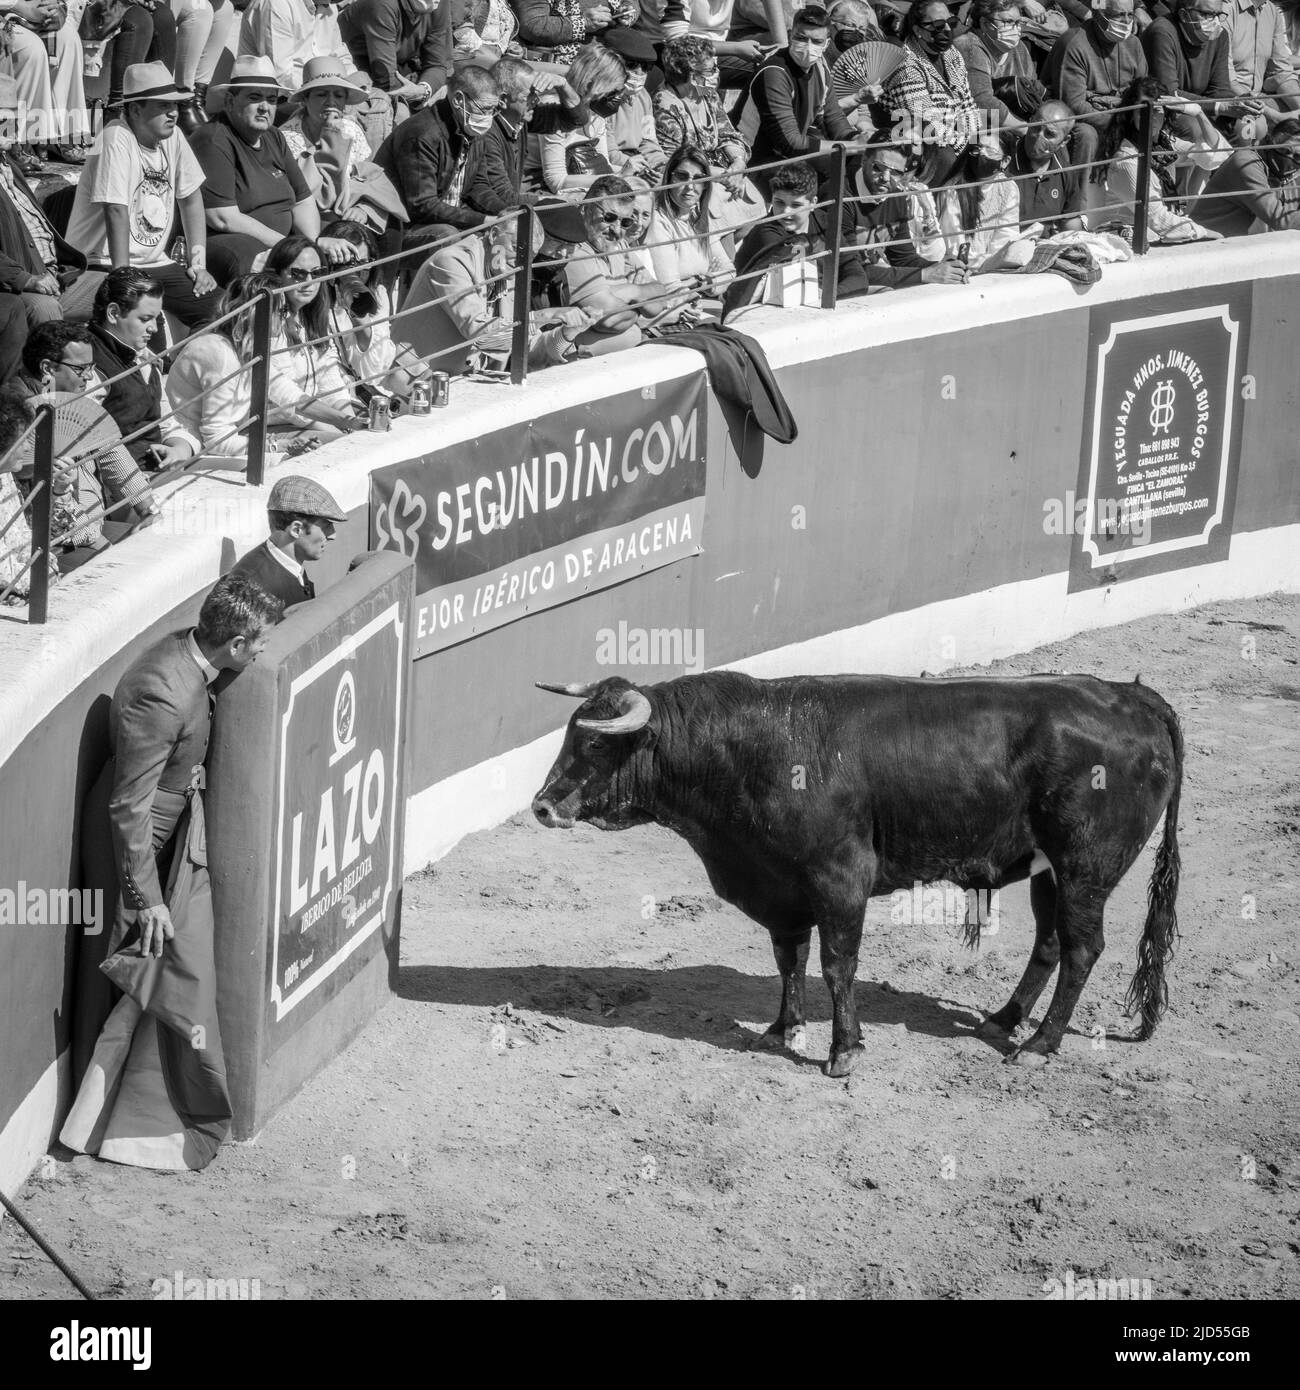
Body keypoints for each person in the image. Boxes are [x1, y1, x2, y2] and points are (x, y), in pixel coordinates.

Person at [61, 572, 284, 1172]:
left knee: (152, 963)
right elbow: (128, 807)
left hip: (165, 824)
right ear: (234, 645)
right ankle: (95, 1121)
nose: (262, 652)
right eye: (258, 643)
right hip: (136, 841)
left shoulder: (185, 654)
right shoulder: (166, 691)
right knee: (129, 957)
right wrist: (147, 894)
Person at [63, 63, 224, 335]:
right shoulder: (115, 136)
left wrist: (198, 264)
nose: (173, 113)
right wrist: (124, 279)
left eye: (176, 105)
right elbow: (115, 210)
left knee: (221, 307)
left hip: (154, 263)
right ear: (136, 109)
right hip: (102, 263)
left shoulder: (172, 136)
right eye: (163, 105)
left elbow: (191, 197)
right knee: (145, 324)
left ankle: (191, 372)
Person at [188, 55, 358, 279]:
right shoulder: (213, 139)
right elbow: (223, 218)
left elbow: (303, 199)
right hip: (231, 241)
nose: (264, 107)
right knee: (253, 256)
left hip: (284, 239)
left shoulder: (274, 136)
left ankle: (354, 306)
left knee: (349, 236)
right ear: (230, 101)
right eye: (255, 98)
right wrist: (294, 248)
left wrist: (312, 244)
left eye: (271, 99)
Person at [397, 211, 596, 372]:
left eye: (530, 255)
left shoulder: (508, 270)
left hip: (463, 384)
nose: (521, 261)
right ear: (493, 235)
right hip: (414, 383)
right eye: (516, 247)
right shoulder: (451, 262)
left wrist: (568, 333)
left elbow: (527, 349)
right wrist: (543, 316)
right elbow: (479, 334)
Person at [164, 271, 320, 464]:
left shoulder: (245, 347)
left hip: (221, 440)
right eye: (281, 310)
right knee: (293, 462)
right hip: (190, 445)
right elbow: (215, 439)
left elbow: (291, 396)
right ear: (257, 312)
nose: (286, 315)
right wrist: (278, 445)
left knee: (329, 445)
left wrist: (346, 420)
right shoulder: (219, 353)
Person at [722, 160, 872, 317]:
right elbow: (794, 290)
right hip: (760, 310)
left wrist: (825, 295)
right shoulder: (767, 232)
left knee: (883, 292)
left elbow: (857, 277)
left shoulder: (826, 223)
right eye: (779, 203)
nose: (786, 212)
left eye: (795, 205)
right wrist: (822, 295)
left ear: (813, 203)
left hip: (815, 302)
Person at [88, 268, 200, 470]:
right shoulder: (86, 362)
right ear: (114, 313)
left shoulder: (147, 357)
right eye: (145, 318)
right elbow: (87, 443)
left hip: (157, 473)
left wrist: (179, 450)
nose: (154, 329)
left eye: (156, 319)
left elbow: (167, 424)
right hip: (121, 486)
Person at [564, 174, 698, 343]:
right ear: (585, 208)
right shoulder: (574, 249)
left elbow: (659, 299)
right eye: (609, 218)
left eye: (626, 222)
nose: (617, 230)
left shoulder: (618, 246)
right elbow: (611, 320)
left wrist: (628, 290)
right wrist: (640, 303)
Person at [375, 63, 497, 248]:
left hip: (447, 217)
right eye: (485, 109)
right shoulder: (422, 134)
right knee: (449, 236)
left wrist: (507, 213)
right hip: (401, 226)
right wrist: (483, 220)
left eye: (493, 109)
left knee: (503, 233)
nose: (489, 117)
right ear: (458, 100)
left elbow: (478, 186)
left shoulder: (472, 131)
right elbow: (422, 205)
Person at [653, 35, 763, 235]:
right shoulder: (665, 103)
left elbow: (728, 134)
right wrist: (724, 175)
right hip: (692, 181)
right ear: (690, 73)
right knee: (721, 222)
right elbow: (675, 160)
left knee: (753, 215)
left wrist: (737, 164)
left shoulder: (709, 95)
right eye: (711, 70)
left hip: (724, 173)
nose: (716, 74)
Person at [1094, 75, 1225, 237]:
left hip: (1156, 230)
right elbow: (1156, 219)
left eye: (1155, 110)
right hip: (1124, 235)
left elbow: (1214, 156)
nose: (1149, 118)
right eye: (1142, 111)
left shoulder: (1164, 145)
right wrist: (1205, 232)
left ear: (1165, 114)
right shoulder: (1126, 159)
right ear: (1131, 115)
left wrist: (1199, 113)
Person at [263, 233, 365, 433]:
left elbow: (329, 378)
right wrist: (340, 429)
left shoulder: (312, 316)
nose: (309, 281)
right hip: (274, 425)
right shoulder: (271, 323)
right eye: (298, 273)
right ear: (277, 275)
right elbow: (287, 401)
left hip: (309, 418)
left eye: (317, 273)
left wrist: (350, 421)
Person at [465, 57, 591, 215]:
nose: (535, 100)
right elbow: (504, 196)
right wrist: (562, 202)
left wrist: (563, 84)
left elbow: (578, 119)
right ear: (503, 100)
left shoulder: (521, 117)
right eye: (528, 96)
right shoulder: (486, 134)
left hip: (508, 211)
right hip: (489, 217)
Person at [855, 139, 984, 281]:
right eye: (878, 167)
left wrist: (946, 268)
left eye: (895, 172)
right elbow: (848, 271)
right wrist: (925, 275)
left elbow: (904, 258)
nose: (885, 177)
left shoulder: (895, 196)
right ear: (864, 160)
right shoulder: (841, 197)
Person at [882, 1, 982, 181]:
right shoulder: (905, 65)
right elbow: (928, 122)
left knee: (992, 148)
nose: (946, 29)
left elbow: (968, 104)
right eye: (937, 25)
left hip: (955, 134)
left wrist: (976, 139)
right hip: (919, 141)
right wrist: (966, 149)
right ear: (918, 30)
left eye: (950, 23)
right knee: (949, 159)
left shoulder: (952, 54)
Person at [1045, 0, 1149, 169]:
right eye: (1119, 15)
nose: (1126, 21)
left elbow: (1143, 90)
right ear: (1098, 15)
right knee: (1086, 134)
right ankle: (1078, 193)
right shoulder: (1073, 43)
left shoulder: (1133, 44)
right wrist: (1119, 123)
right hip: (1082, 118)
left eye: (1130, 14)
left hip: (1122, 115)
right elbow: (1074, 105)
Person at [0, 142, 88, 327]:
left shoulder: (7, 165)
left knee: (124, 289)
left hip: (54, 275)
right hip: (19, 285)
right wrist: (27, 280)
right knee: (45, 308)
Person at [526, 41, 630, 198]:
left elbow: (603, 166)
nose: (616, 98)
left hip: (578, 181)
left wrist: (631, 172)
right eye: (613, 91)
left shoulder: (596, 113)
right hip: (537, 184)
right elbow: (557, 181)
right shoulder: (554, 107)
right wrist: (618, 178)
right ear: (594, 84)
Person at [748, 5, 834, 189]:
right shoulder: (774, 72)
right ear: (790, 36)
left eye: (817, 41)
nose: (808, 47)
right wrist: (847, 146)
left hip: (787, 158)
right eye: (801, 38)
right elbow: (791, 143)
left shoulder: (821, 67)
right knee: (829, 165)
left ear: (826, 44)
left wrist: (860, 142)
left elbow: (834, 118)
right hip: (755, 160)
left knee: (854, 162)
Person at [0, 0, 91, 171]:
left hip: (25, 15)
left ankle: (58, 134)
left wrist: (58, 11)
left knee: (68, 39)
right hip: (6, 13)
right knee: (30, 49)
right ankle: (13, 140)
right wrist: (19, 7)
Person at [229, 473, 345, 605]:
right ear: (296, 530)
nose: (332, 535)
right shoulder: (249, 590)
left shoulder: (289, 564)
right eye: (326, 526)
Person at [339, 0, 455, 116]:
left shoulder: (439, 5)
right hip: (356, 68)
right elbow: (386, 80)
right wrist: (414, 95)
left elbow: (437, 64)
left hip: (398, 65)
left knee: (448, 96)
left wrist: (423, 90)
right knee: (401, 114)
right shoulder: (382, 5)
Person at [646, 144, 734, 293]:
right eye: (681, 176)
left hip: (696, 300)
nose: (690, 186)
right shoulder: (658, 220)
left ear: (706, 185)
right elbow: (669, 287)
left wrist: (698, 283)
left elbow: (730, 273)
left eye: (699, 179)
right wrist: (704, 279)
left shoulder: (698, 216)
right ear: (668, 179)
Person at [955, 0, 1047, 142]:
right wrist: (1027, 130)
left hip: (1016, 125)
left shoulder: (1019, 48)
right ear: (985, 24)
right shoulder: (969, 47)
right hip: (975, 127)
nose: (1015, 29)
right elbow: (982, 102)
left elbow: (1032, 90)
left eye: (1018, 23)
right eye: (1008, 22)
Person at [1194, 111, 1300, 230]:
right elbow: (1280, 219)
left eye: (1298, 157)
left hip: (1253, 242)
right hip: (1212, 242)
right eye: (1284, 150)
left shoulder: (1293, 173)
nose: (1289, 158)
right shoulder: (1246, 163)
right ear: (1270, 141)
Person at [1005, 97, 1087, 228]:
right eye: (1036, 127)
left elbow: (1071, 224)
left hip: (1046, 245)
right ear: (1030, 121)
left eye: (1049, 134)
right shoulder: (1005, 160)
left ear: (1065, 141)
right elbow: (983, 111)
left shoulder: (1065, 173)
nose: (1039, 136)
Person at [239, 0, 356, 90]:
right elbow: (281, 78)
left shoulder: (329, 6)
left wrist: (356, 81)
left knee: (371, 101)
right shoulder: (277, 4)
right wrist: (328, 92)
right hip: (277, 99)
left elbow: (340, 57)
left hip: (321, 94)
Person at [603, 27, 668, 182]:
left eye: (646, 67)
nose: (639, 72)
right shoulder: (602, 101)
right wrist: (643, 169)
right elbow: (609, 153)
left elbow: (649, 140)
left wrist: (663, 165)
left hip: (638, 162)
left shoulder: (643, 96)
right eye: (631, 64)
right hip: (615, 167)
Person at [1226, 0, 1300, 112]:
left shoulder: (1272, 11)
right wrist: (1273, 116)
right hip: (1230, 99)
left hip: (1258, 96)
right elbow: (1225, 80)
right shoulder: (1226, 9)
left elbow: (1280, 72)